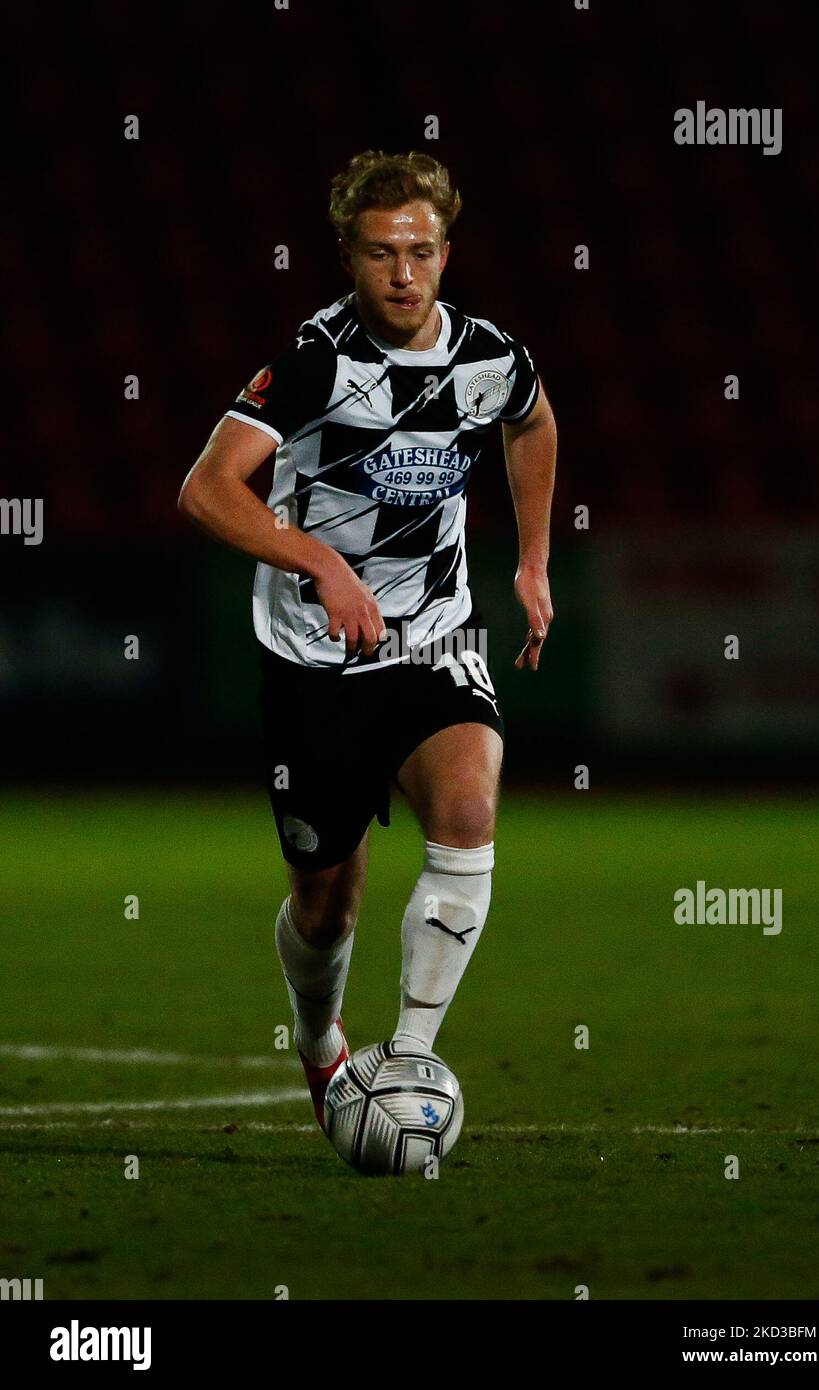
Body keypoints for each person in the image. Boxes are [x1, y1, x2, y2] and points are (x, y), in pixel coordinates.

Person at [178, 150, 556, 1130]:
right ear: (348, 254)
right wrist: (320, 562)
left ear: (445, 251)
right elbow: (208, 489)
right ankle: (319, 1041)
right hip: (315, 658)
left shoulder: (487, 356)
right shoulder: (315, 361)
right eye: (382, 252)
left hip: (434, 638)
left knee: (469, 809)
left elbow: (533, 420)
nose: (403, 272)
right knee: (325, 905)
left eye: (421, 251)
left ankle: (409, 1060)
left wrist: (533, 561)